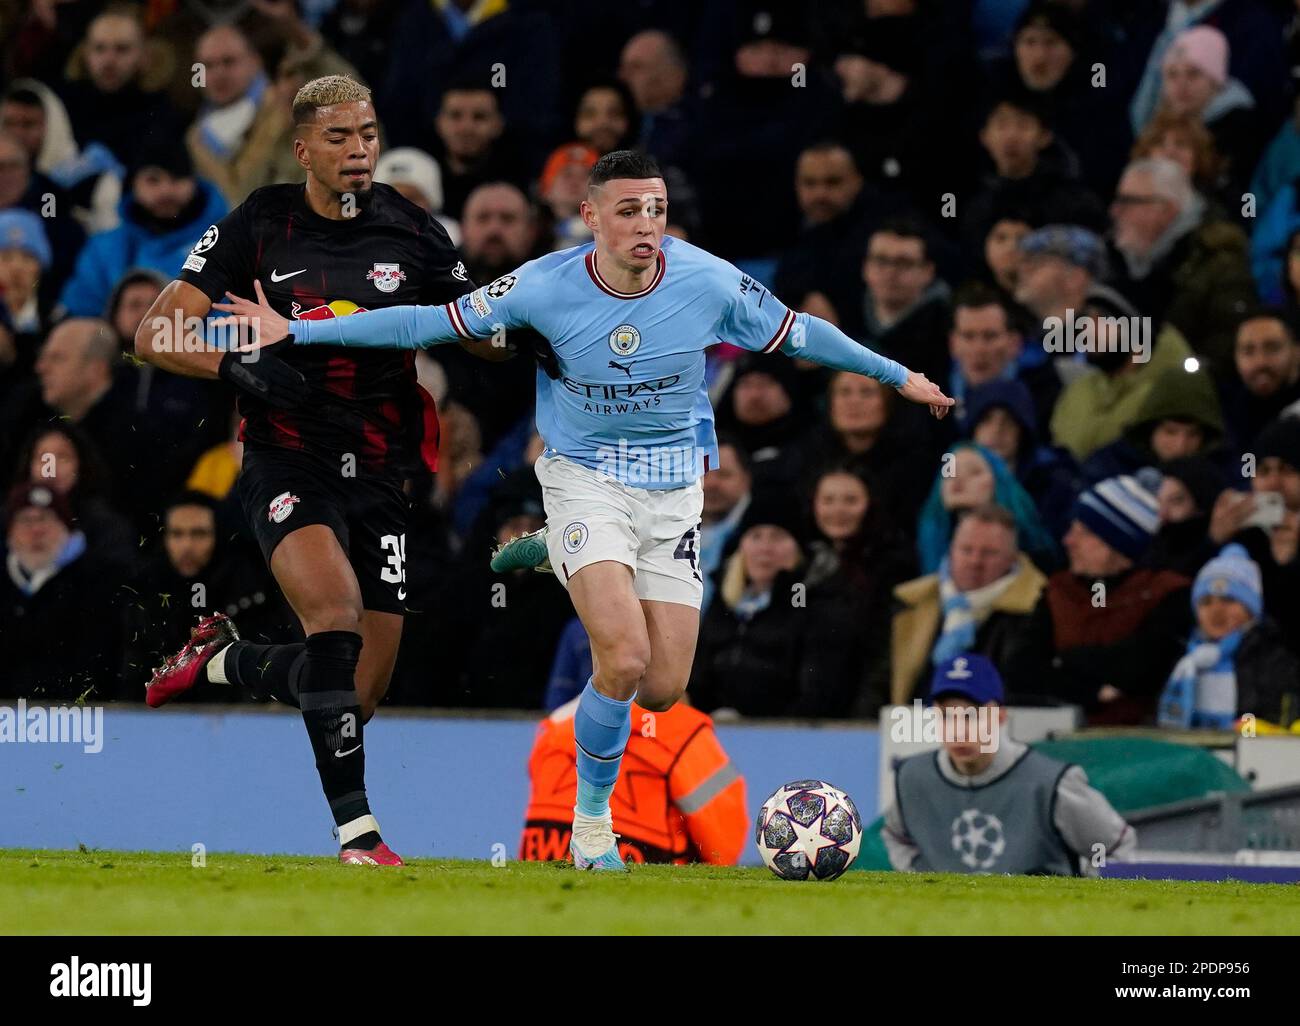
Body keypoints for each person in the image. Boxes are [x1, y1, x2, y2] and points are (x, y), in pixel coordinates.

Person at [216, 149, 953, 870]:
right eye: (629, 210)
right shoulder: (540, 286)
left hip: (671, 493)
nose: (646, 225)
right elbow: (423, 323)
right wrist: (298, 331)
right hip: (584, 480)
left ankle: (556, 551)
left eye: (656, 210)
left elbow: (802, 333)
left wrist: (896, 375)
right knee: (624, 658)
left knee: (662, 688)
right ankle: (592, 824)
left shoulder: (707, 281)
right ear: (590, 216)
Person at [135, 74, 497, 867]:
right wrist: (234, 369)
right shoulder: (261, 222)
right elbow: (154, 333)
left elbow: (481, 329)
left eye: (367, 133)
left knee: (356, 694)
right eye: (339, 137)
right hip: (285, 453)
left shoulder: (414, 231)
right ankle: (360, 839)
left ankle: (221, 656)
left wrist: (531, 325)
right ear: (302, 149)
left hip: (383, 470)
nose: (359, 149)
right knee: (331, 616)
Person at [882, 655, 1136, 876]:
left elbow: (1115, 846)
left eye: (972, 715)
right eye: (947, 716)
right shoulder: (912, 777)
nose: (959, 731)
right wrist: (921, 876)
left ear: (1000, 716)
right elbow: (895, 836)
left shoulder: (1052, 783)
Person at [1026, 473, 1192, 724]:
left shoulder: (1166, 593)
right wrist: (1091, 691)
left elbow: (1141, 669)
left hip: (1143, 744)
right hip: (1060, 739)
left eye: (1083, 533)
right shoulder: (1059, 589)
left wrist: (1064, 660)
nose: (1068, 541)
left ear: (1117, 544)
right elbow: (1022, 669)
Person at [521, 695, 747, 866]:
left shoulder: (556, 723)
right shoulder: (683, 731)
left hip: (543, 876)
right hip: (647, 889)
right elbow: (725, 846)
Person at [121, 491, 295, 699]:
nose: (187, 546)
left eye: (199, 534)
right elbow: (133, 671)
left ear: (218, 535)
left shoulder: (251, 592)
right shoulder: (146, 592)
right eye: (177, 534)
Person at [890, 504, 1046, 706]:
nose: (975, 561)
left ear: (1012, 558)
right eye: (966, 549)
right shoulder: (910, 601)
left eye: (989, 553)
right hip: (905, 728)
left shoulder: (1036, 607)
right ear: (951, 550)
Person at [0, 483, 123, 700]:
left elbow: (102, 663)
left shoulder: (95, 583)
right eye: (25, 520)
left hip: (77, 718)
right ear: (9, 530)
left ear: (66, 528)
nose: (36, 530)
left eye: (45, 518)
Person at [1157, 544, 1300, 730]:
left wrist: (1250, 732)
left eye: (1228, 600)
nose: (1216, 611)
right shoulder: (1183, 662)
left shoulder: (1275, 661)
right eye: (1206, 602)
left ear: (1251, 610)